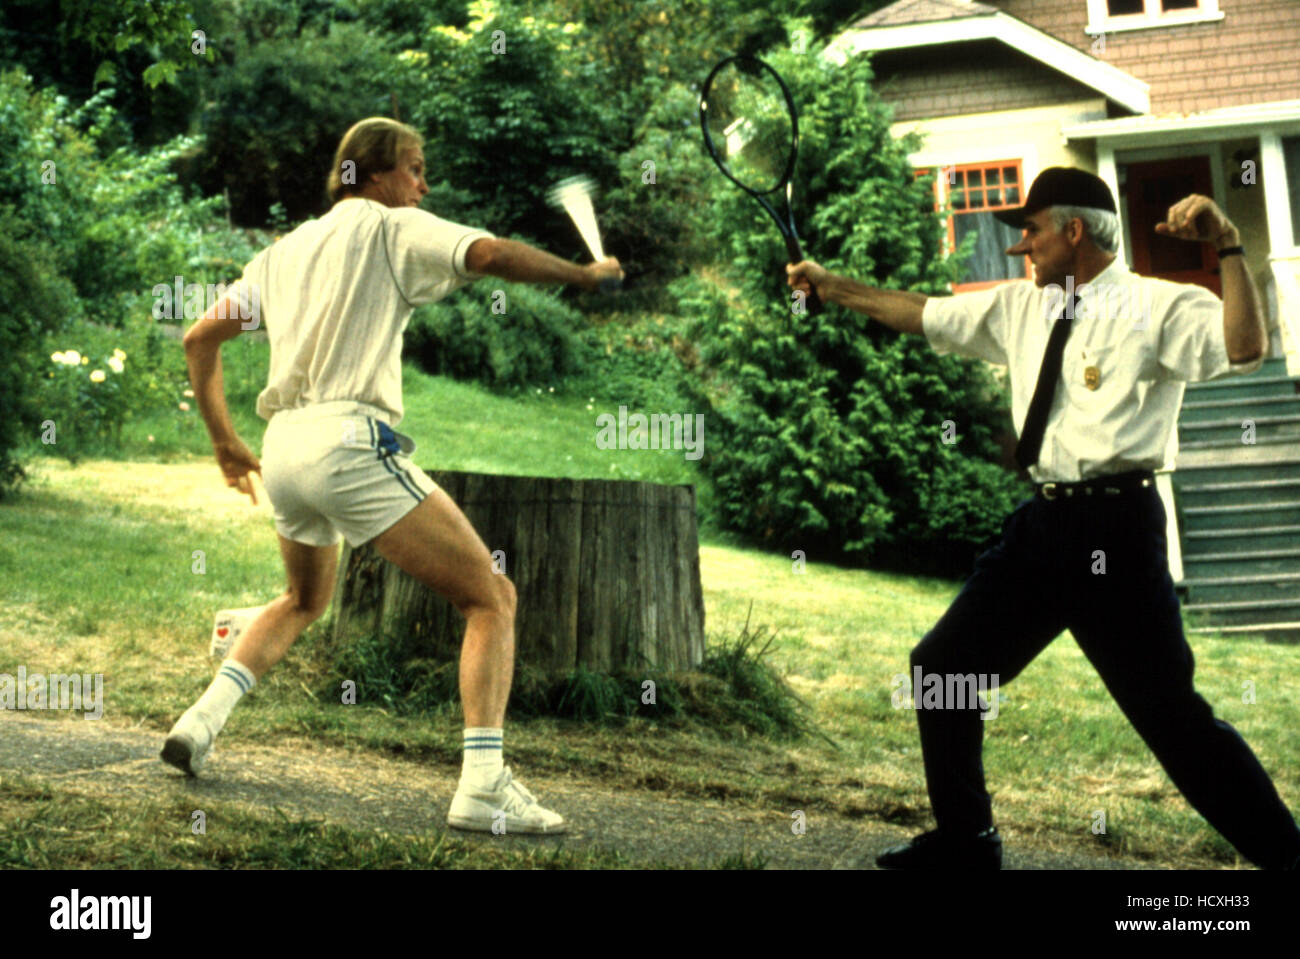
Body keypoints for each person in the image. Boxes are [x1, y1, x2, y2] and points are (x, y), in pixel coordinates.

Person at [787, 166, 1300, 870]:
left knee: (1172, 721)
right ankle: (968, 843)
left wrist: (1231, 245)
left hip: (1116, 534)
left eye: (1029, 232)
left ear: (1073, 230)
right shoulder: (1019, 308)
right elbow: (921, 312)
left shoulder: (1157, 305)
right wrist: (832, 286)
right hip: (1044, 527)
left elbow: (1246, 348)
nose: (1020, 248)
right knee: (943, 668)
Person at [162, 117, 622, 835]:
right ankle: (482, 787)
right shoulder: (390, 227)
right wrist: (581, 275)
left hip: (285, 449)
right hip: (347, 444)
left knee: (301, 599)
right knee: (492, 597)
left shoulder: (284, 252)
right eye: (415, 168)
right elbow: (491, 254)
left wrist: (225, 441)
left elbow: (198, 337)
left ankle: (198, 721)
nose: (423, 184)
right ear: (373, 173)